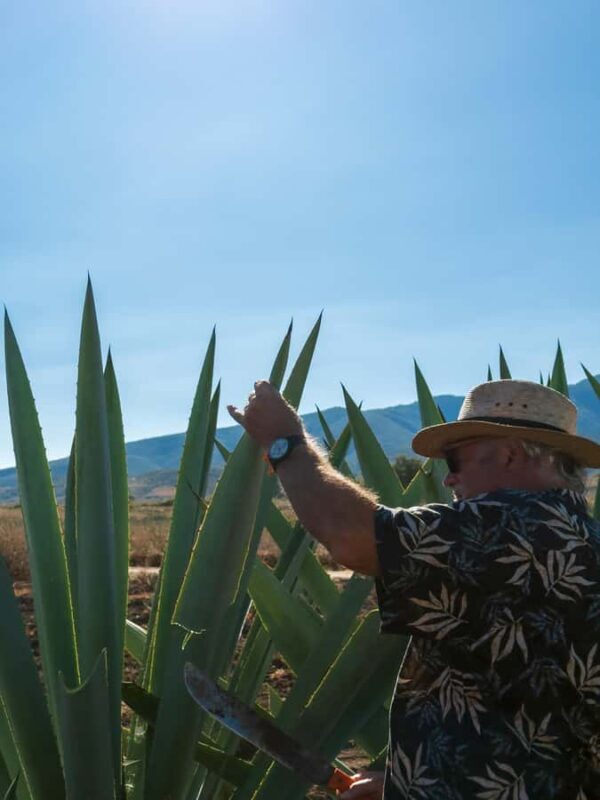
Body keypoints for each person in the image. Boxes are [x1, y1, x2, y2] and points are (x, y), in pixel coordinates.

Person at [228, 378, 600, 799]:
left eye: (455, 462)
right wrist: (406, 783)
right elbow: (522, 705)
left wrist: (285, 443)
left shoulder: (507, 528)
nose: (449, 482)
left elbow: (353, 536)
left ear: (509, 454)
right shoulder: (584, 540)